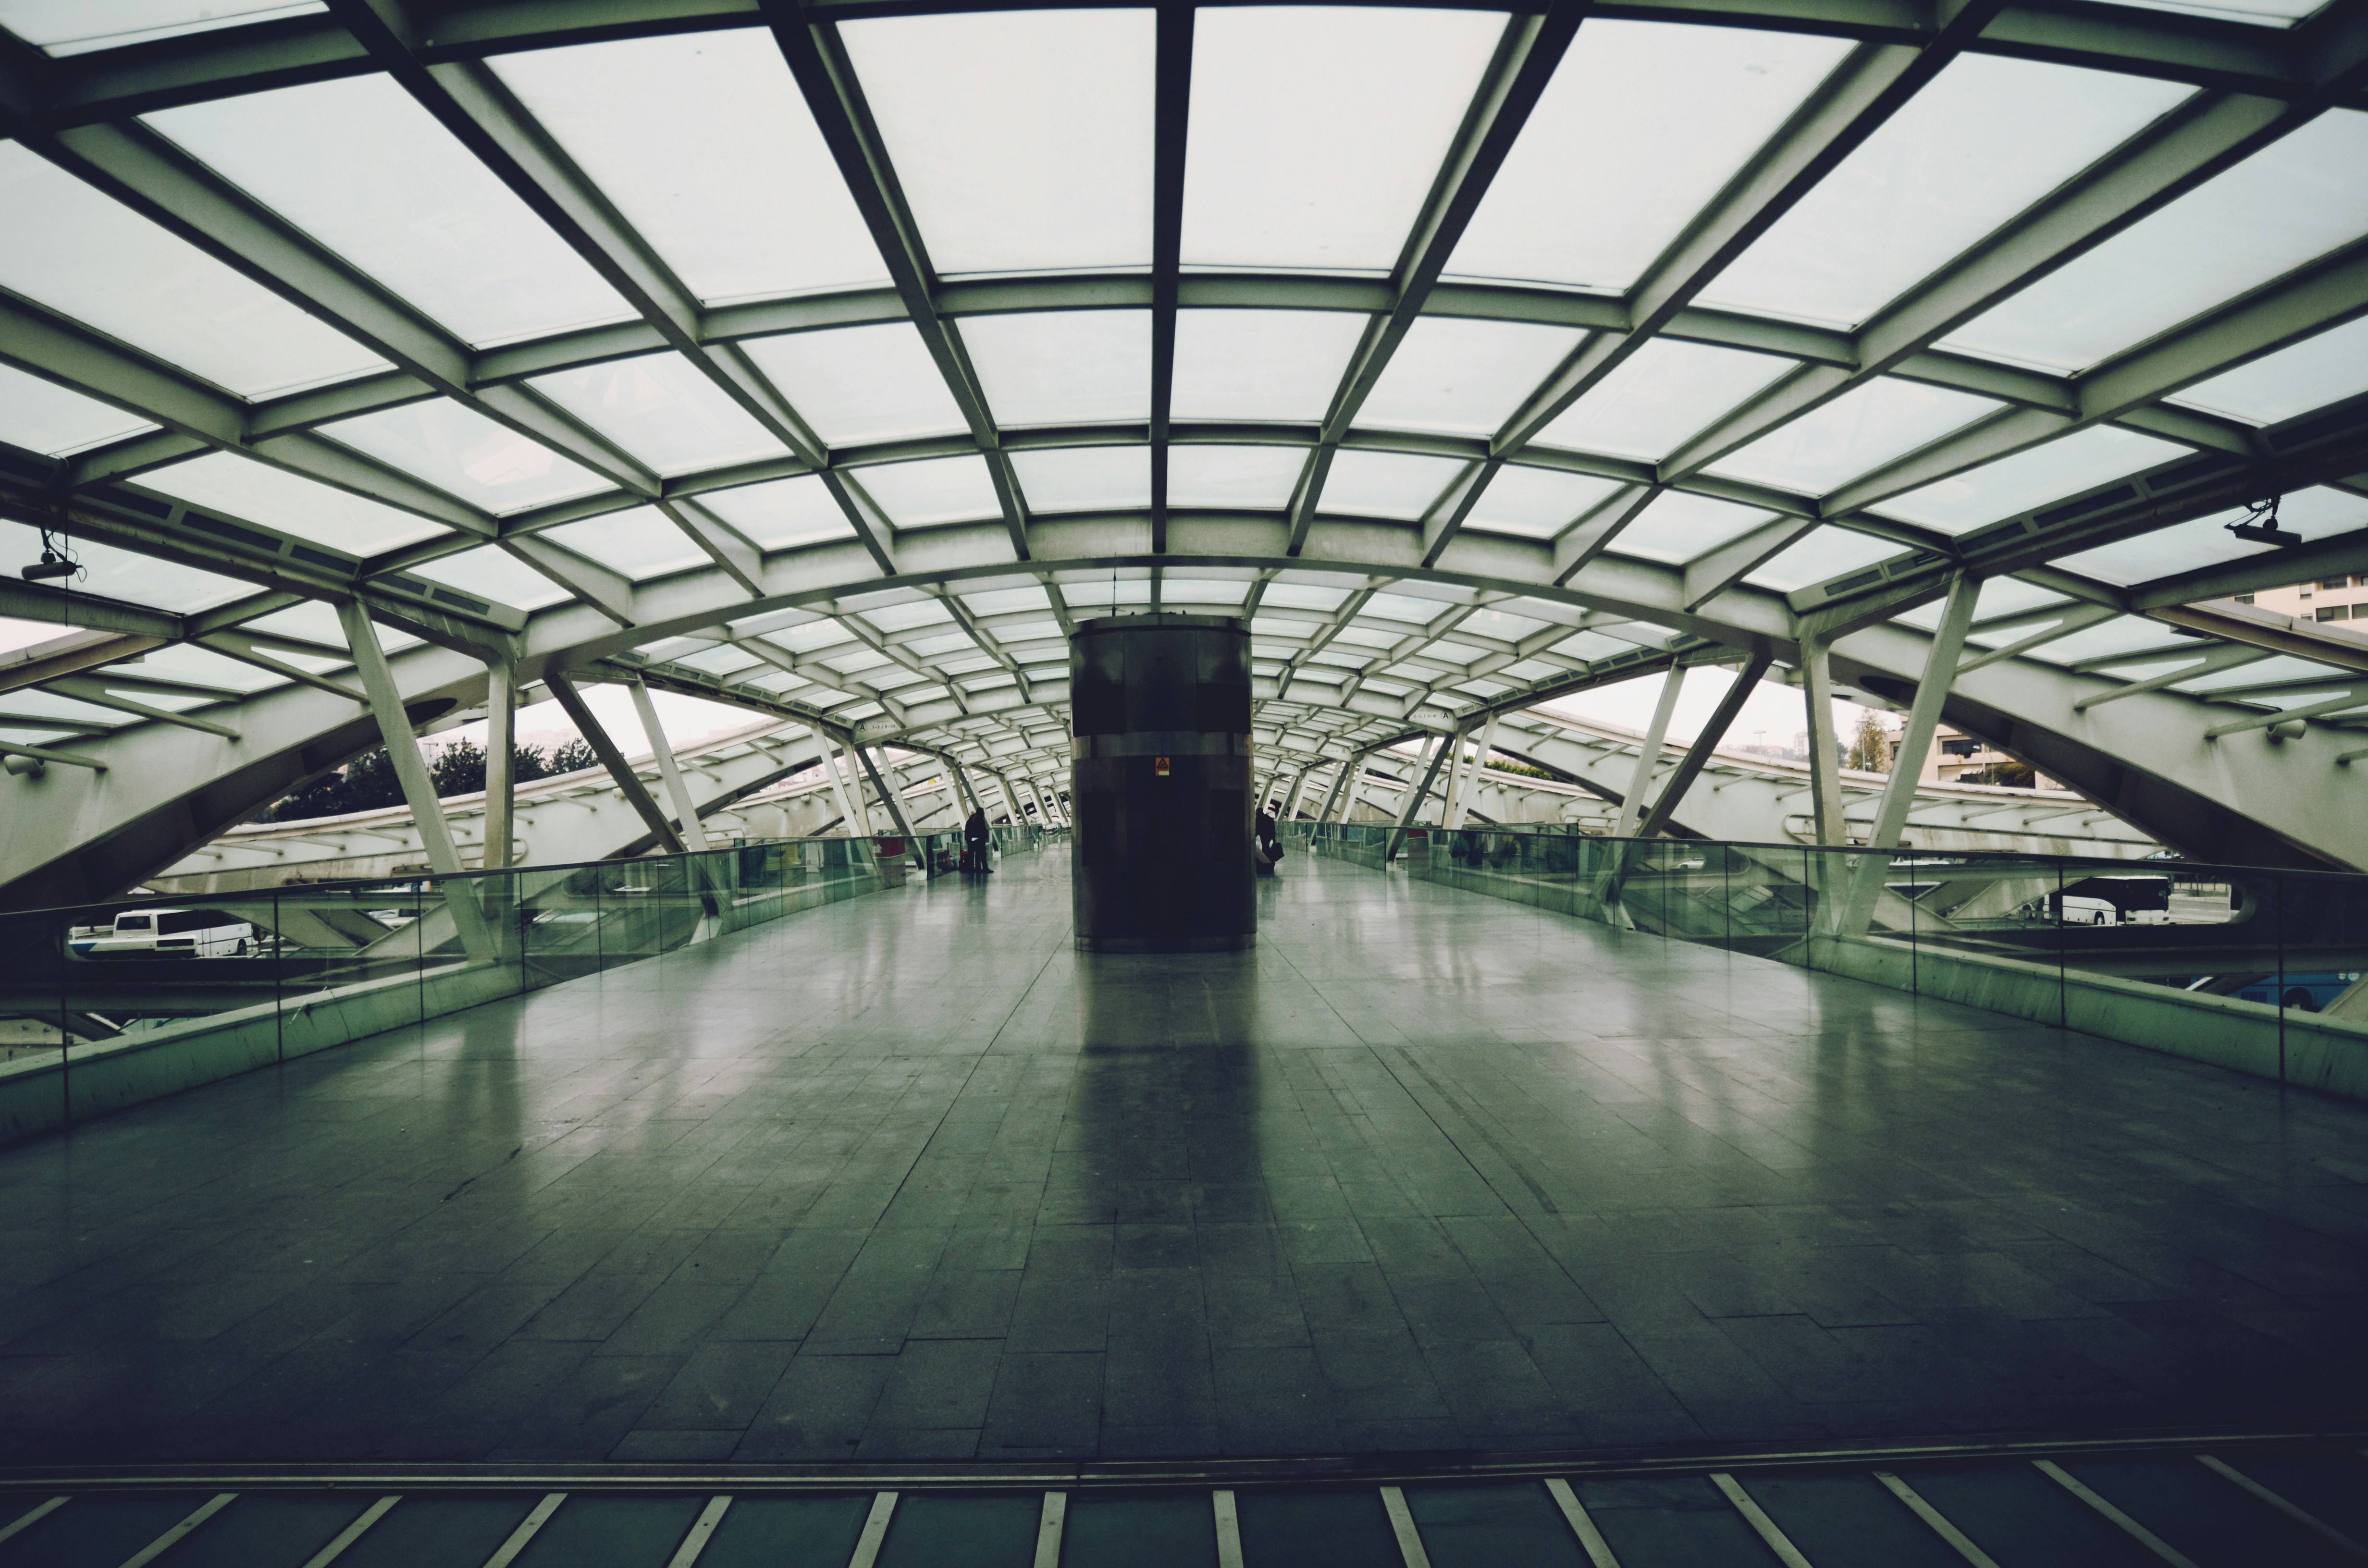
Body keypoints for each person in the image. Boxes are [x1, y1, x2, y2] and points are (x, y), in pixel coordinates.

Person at [1255, 802, 1283, 876]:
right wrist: (1274, 838)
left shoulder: (1259, 818)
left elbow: (1257, 828)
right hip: (1269, 836)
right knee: (1267, 848)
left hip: (1263, 836)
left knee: (1265, 848)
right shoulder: (1269, 818)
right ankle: (1269, 862)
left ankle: (1268, 863)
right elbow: (1273, 828)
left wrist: (1254, 835)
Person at [964, 806, 992, 873]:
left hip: (972, 840)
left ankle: (973, 868)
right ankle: (983, 868)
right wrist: (982, 838)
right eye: (983, 812)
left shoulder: (972, 819)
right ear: (981, 812)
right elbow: (980, 831)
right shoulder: (979, 819)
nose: (984, 813)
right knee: (981, 854)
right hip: (979, 840)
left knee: (973, 854)